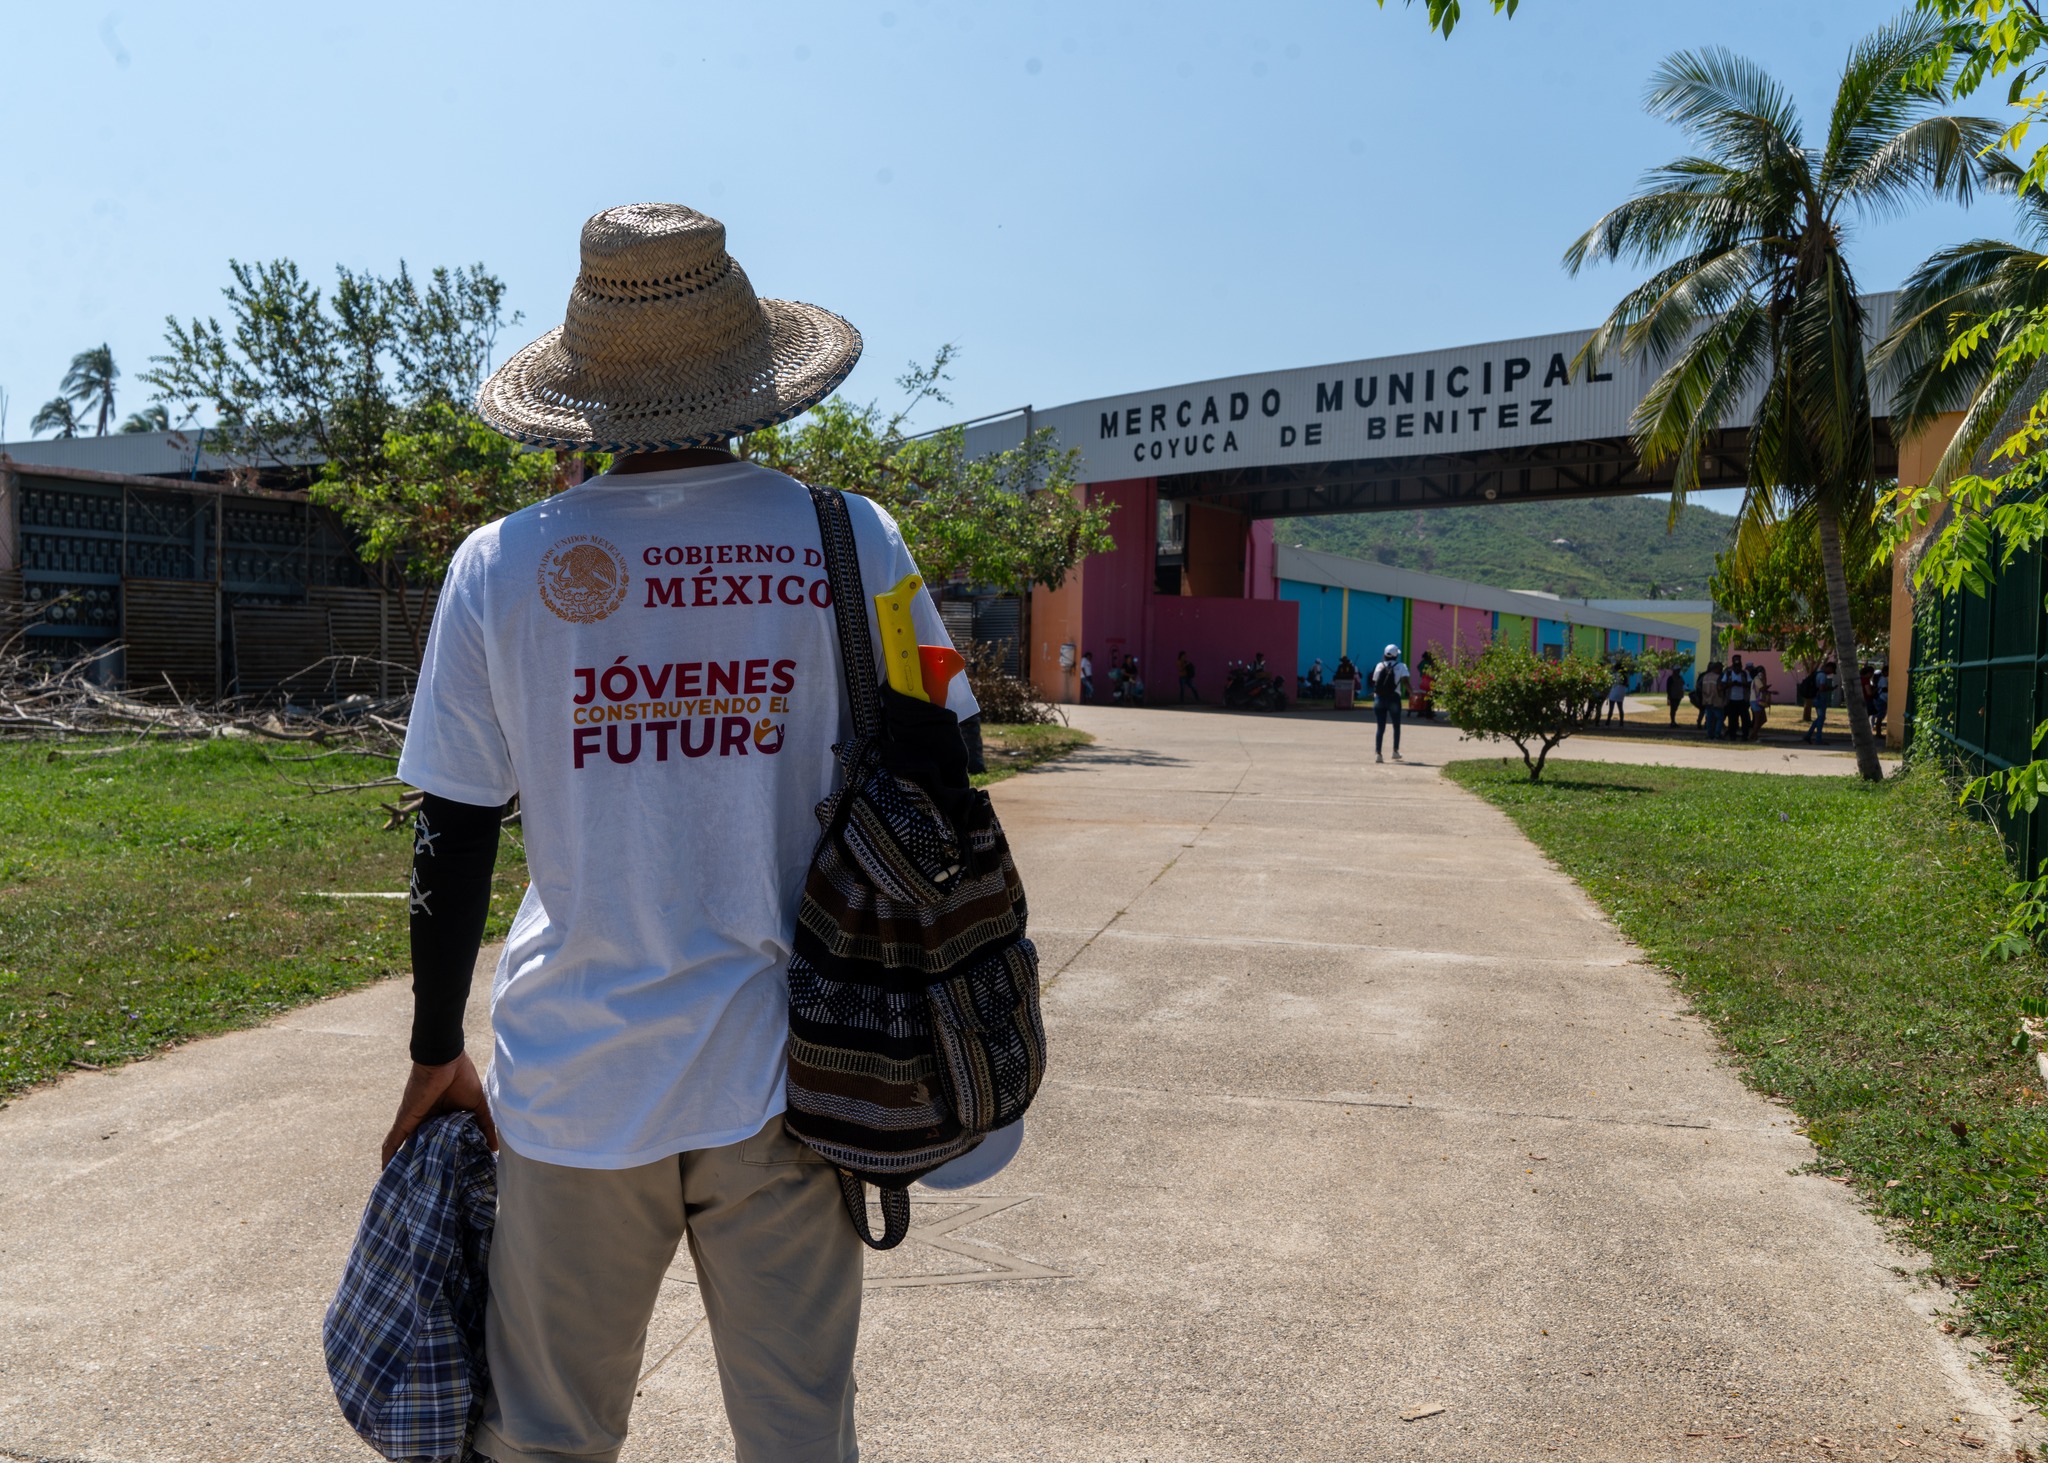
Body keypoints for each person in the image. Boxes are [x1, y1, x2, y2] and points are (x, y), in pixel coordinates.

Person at [382, 204, 981, 1463]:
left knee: (546, 1434)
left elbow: (454, 829)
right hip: (795, 1070)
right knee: (797, 1434)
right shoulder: (849, 538)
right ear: (748, 376)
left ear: (585, 391)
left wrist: (437, 1048)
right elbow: (951, 756)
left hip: (571, 1084)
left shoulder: (501, 564)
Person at [1370, 643, 1410, 763]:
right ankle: (1395, 751)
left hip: (1379, 698)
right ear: (1396, 655)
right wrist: (1412, 694)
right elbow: (1405, 682)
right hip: (1394, 699)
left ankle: (1378, 753)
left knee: (1380, 727)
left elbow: (1375, 681)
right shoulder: (1401, 666)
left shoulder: (1379, 665)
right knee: (1396, 726)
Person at [1805, 660, 1837, 744]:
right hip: (1820, 698)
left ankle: (1808, 735)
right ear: (1829, 668)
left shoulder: (1817, 674)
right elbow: (1822, 688)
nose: (1831, 673)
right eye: (1832, 671)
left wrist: (1831, 688)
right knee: (1821, 718)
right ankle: (1818, 739)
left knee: (1820, 718)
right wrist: (1828, 688)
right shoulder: (1823, 676)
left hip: (1816, 698)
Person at [1722, 655, 1751, 742]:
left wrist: (1741, 684)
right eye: (1735, 666)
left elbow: (1750, 684)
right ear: (1733, 666)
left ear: (1741, 666)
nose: (1737, 668)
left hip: (1743, 701)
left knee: (1745, 720)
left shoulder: (1745, 674)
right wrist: (1731, 684)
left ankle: (1745, 736)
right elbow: (1722, 685)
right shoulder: (1728, 673)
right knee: (1732, 721)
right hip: (1731, 701)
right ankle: (1732, 736)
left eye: (1739, 666)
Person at [1699, 660, 1725, 740]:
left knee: (1709, 719)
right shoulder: (1718, 677)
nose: (1721, 670)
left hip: (1707, 700)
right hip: (1716, 700)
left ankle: (1710, 734)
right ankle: (1717, 734)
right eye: (1720, 668)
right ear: (1716, 668)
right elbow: (1720, 688)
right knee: (1720, 718)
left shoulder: (1705, 677)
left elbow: (1699, 687)